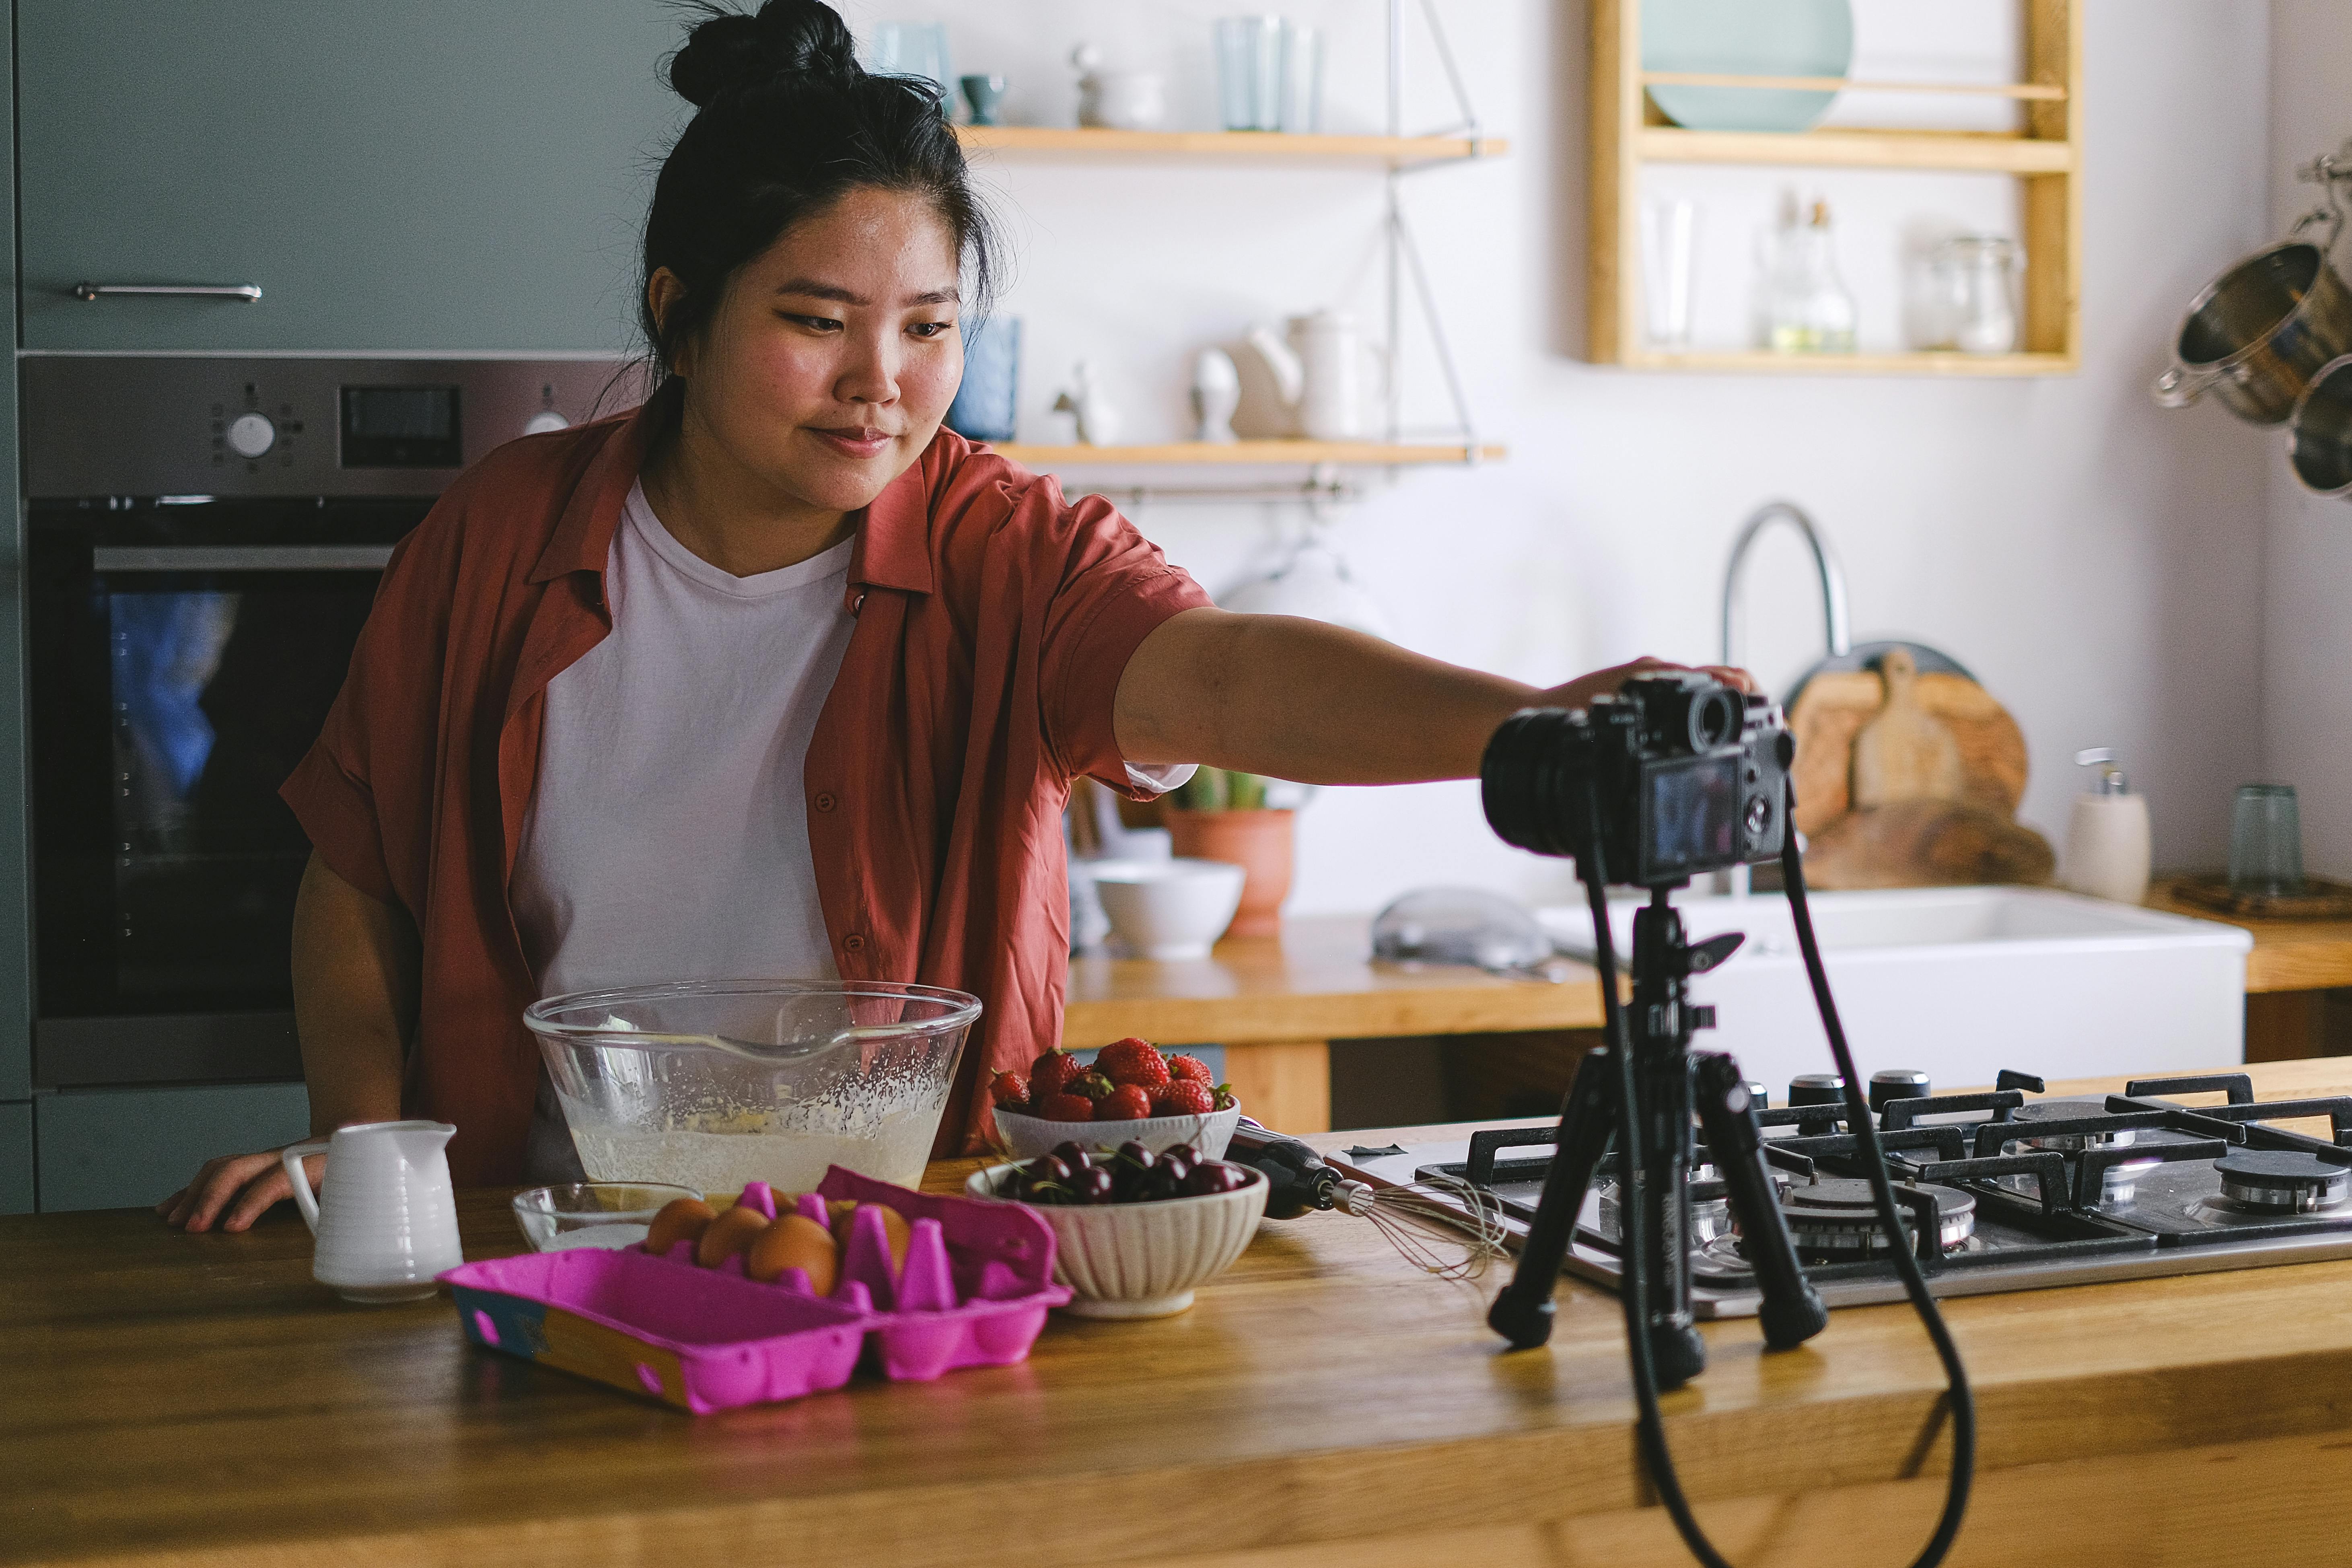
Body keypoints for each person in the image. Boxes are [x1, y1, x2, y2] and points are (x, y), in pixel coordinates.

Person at [160, 0, 1747, 1233]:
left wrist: (1526, 721)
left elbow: (1227, 677)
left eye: (926, 328)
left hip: (909, 1249)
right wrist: (359, 1149)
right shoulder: (503, 536)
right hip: (557, 1233)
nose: (881, 385)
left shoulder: (1008, 548)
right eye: (814, 322)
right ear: (676, 307)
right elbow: (356, 876)